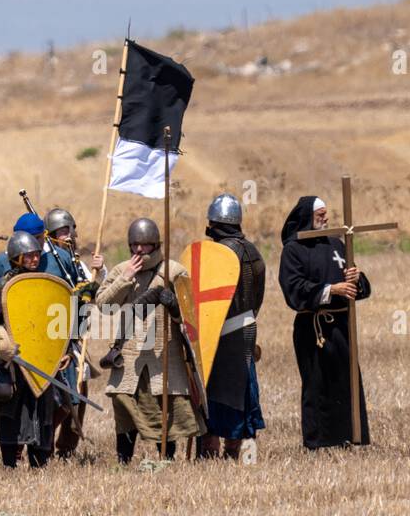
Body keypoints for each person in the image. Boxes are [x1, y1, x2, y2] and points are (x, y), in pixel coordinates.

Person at [94, 217, 204, 463]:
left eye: (145, 245)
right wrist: (125, 278)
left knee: (165, 408)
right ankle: (123, 461)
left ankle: (166, 459)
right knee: (125, 408)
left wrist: (174, 305)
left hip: (164, 354)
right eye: (134, 245)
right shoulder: (121, 270)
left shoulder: (174, 271)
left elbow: (190, 316)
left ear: (156, 244)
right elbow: (104, 306)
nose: (139, 250)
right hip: (129, 355)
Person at [278, 195, 371, 449]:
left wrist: (356, 278)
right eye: (320, 215)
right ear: (307, 217)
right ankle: (318, 442)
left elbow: (361, 289)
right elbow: (294, 289)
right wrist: (332, 290)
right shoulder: (293, 249)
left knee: (346, 380)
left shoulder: (337, 244)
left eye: (326, 214)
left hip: (342, 325)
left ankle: (351, 437)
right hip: (313, 328)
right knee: (316, 383)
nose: (326, 219)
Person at [196, 194, 266, 460]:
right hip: (247, 328)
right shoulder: (254, 252)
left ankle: (211, 448)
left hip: (218, 334)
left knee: (216, 393)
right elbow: (257, 297)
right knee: (242, 390)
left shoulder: (219, 255)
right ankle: (236, 449)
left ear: (214, 224)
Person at [0, 232, 56, 468]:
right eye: (29, 255)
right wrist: (2, 343)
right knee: (11, 411)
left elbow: (54, 319)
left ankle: (39, 460)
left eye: (36, 254)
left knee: (42, 410)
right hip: (11, 362)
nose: (34, 258)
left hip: (40, 359)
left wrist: (58, 349)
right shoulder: (3, 285)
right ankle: (9, 462)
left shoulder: (43, 283)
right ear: (16, 257)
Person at [39, 207, 105, 459]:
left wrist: (100, 269)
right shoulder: (45, 260)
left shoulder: (75, 261)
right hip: (52, 338)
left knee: (80, 393)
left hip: (74, 337)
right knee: (62, 396)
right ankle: (43, 443)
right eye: (60, 231)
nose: (66, 235)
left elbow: (95, 289)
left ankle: (66, 448)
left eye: (69, 230)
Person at [0, 210, 46, 290]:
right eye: (30, 239)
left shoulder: (58, 257)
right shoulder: (2, 261)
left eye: (38, 237)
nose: (35, 243)